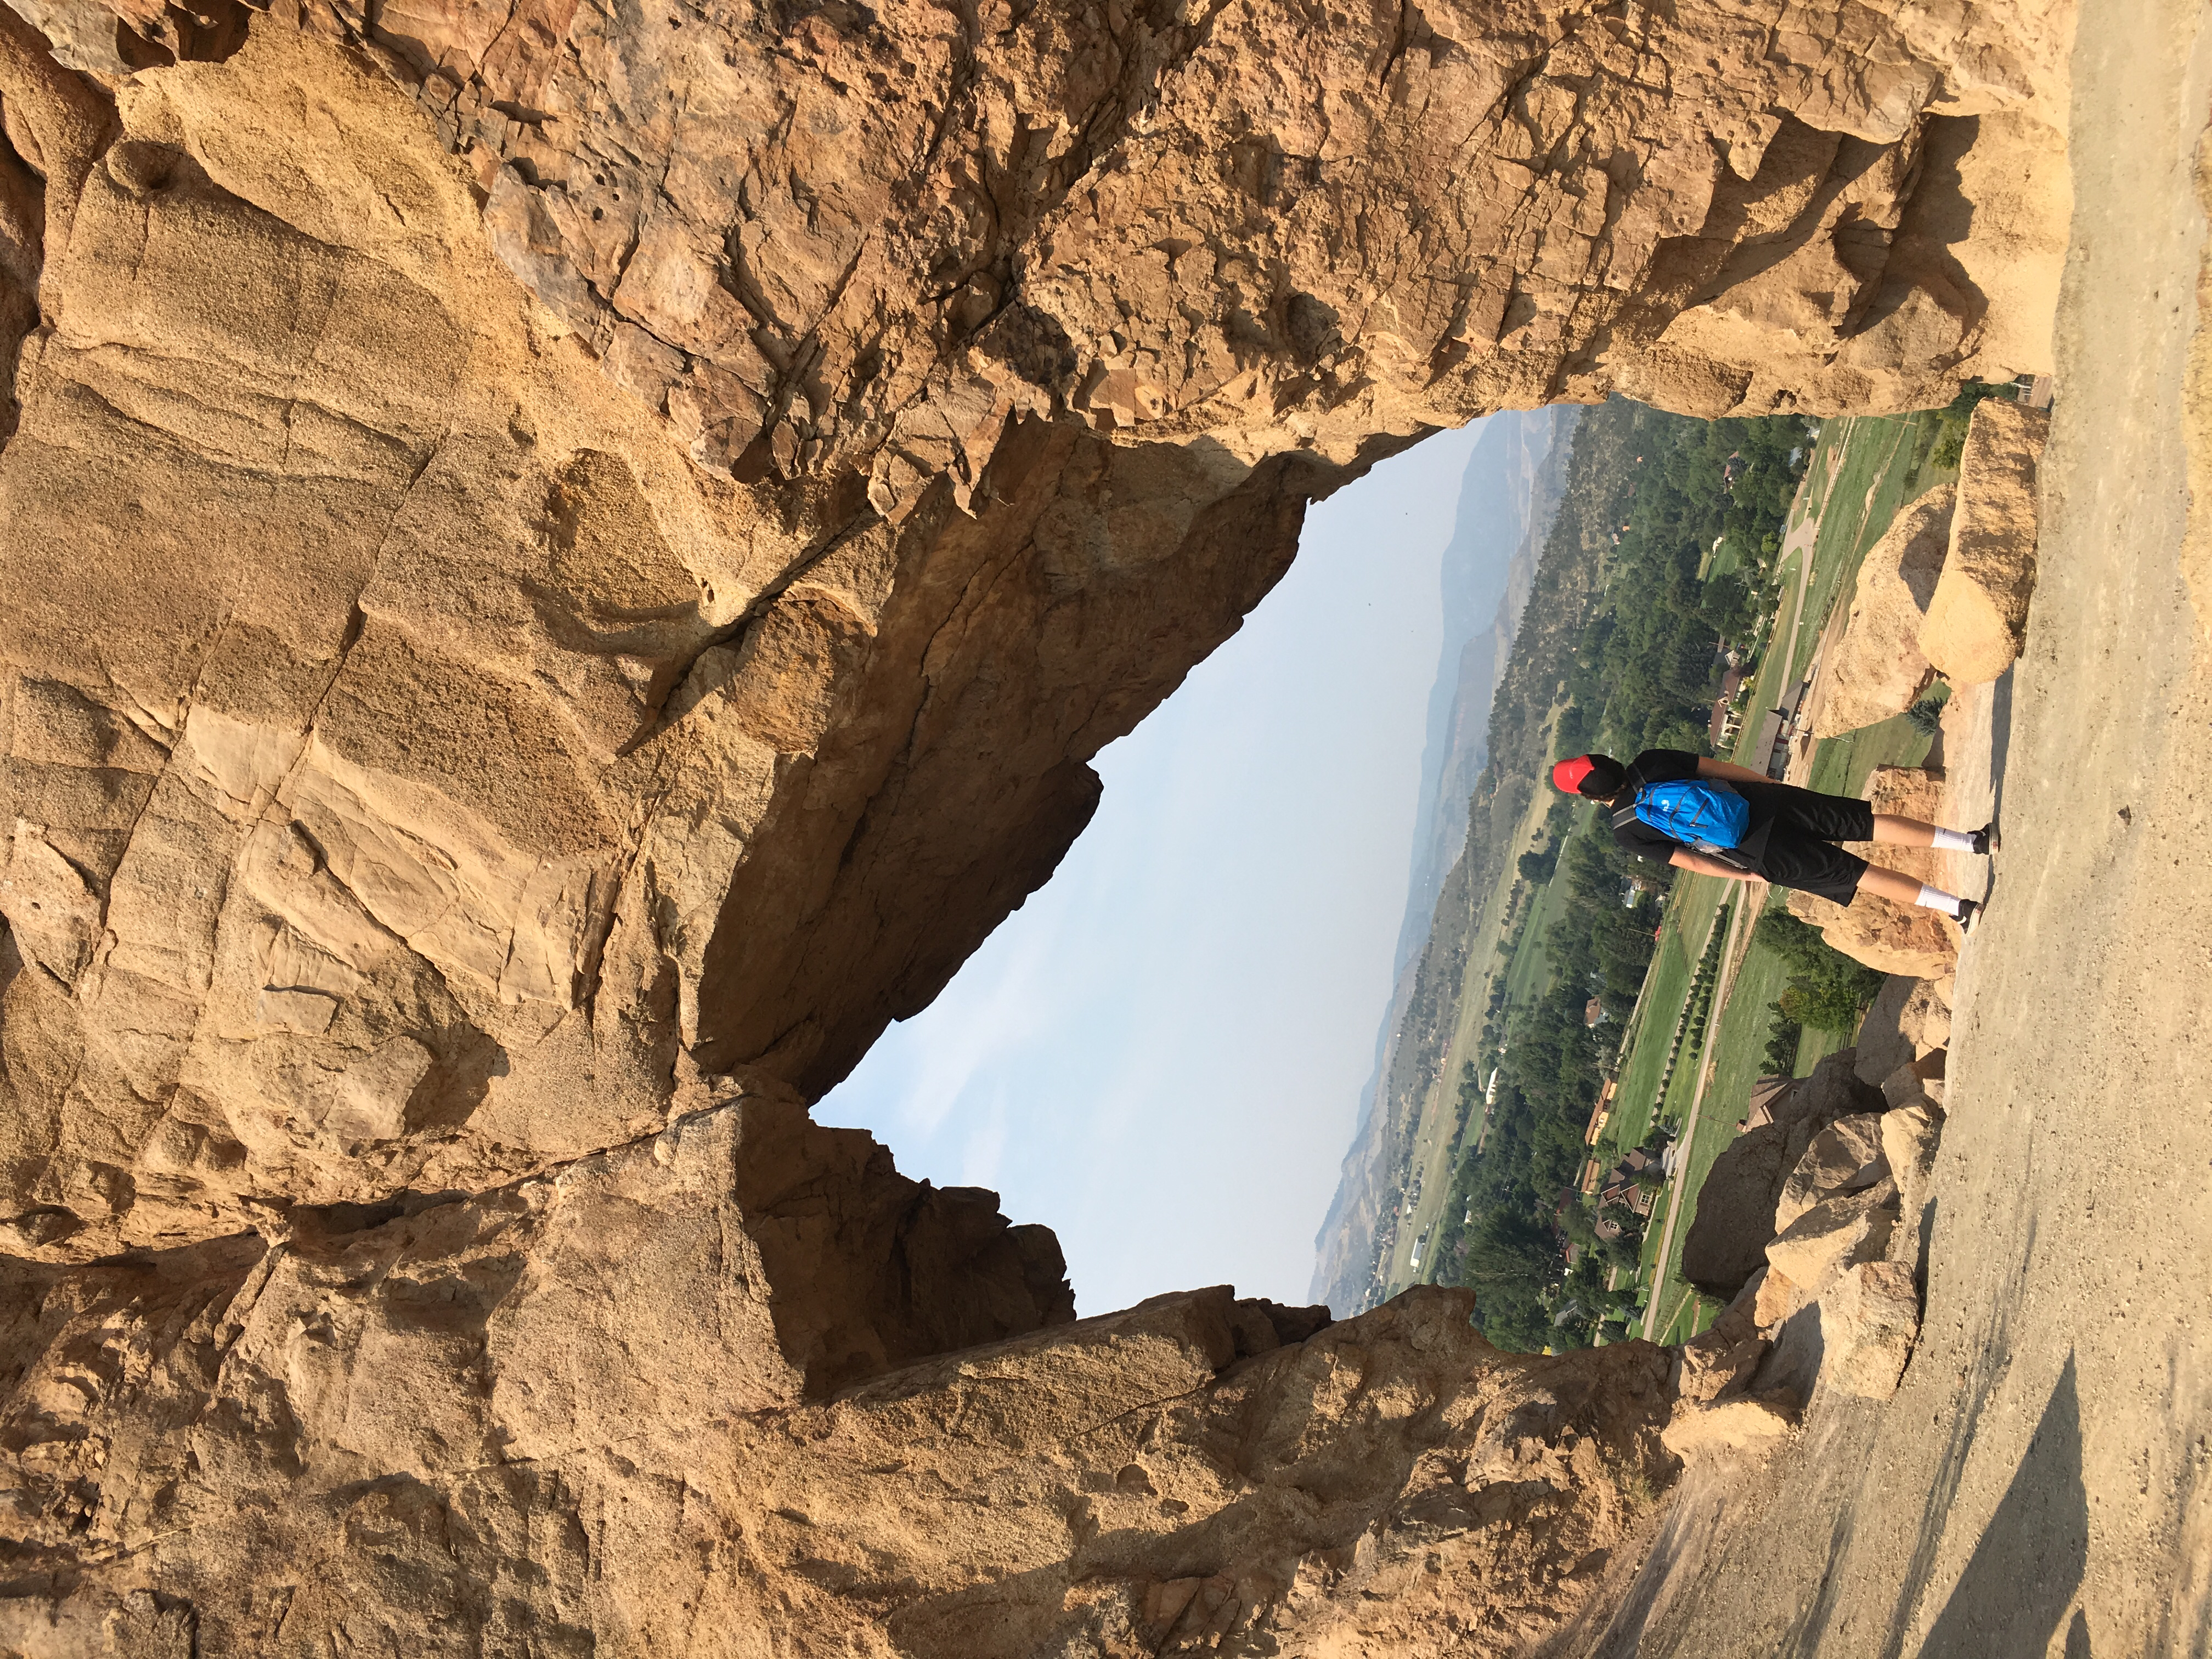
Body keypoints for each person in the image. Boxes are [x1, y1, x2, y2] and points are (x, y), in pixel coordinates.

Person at [1550, 749, 1995, 931]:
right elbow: (1718, 770)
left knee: (1858, 875)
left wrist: (1748, 878)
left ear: (1589, 798)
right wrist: (1766, 784)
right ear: (1606, 760)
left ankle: (1960, 909)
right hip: (1767, 802)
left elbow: (1695, 863)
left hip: (1753, 849)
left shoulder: (1626, 830)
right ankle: (1972, 841)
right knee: (1867, 823)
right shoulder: (1651, 761)